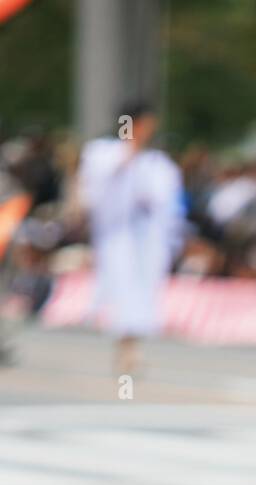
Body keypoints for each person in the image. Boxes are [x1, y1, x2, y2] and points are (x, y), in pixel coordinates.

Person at [78, 100, 184, 377]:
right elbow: (94, 192)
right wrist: (130, 148)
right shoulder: (102, 152)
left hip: (148, 239)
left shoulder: (156, 162)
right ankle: (126, 348)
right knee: (122, 289)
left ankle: (132, 347)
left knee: (145, 292)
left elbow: (166, 203)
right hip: (118, 236)